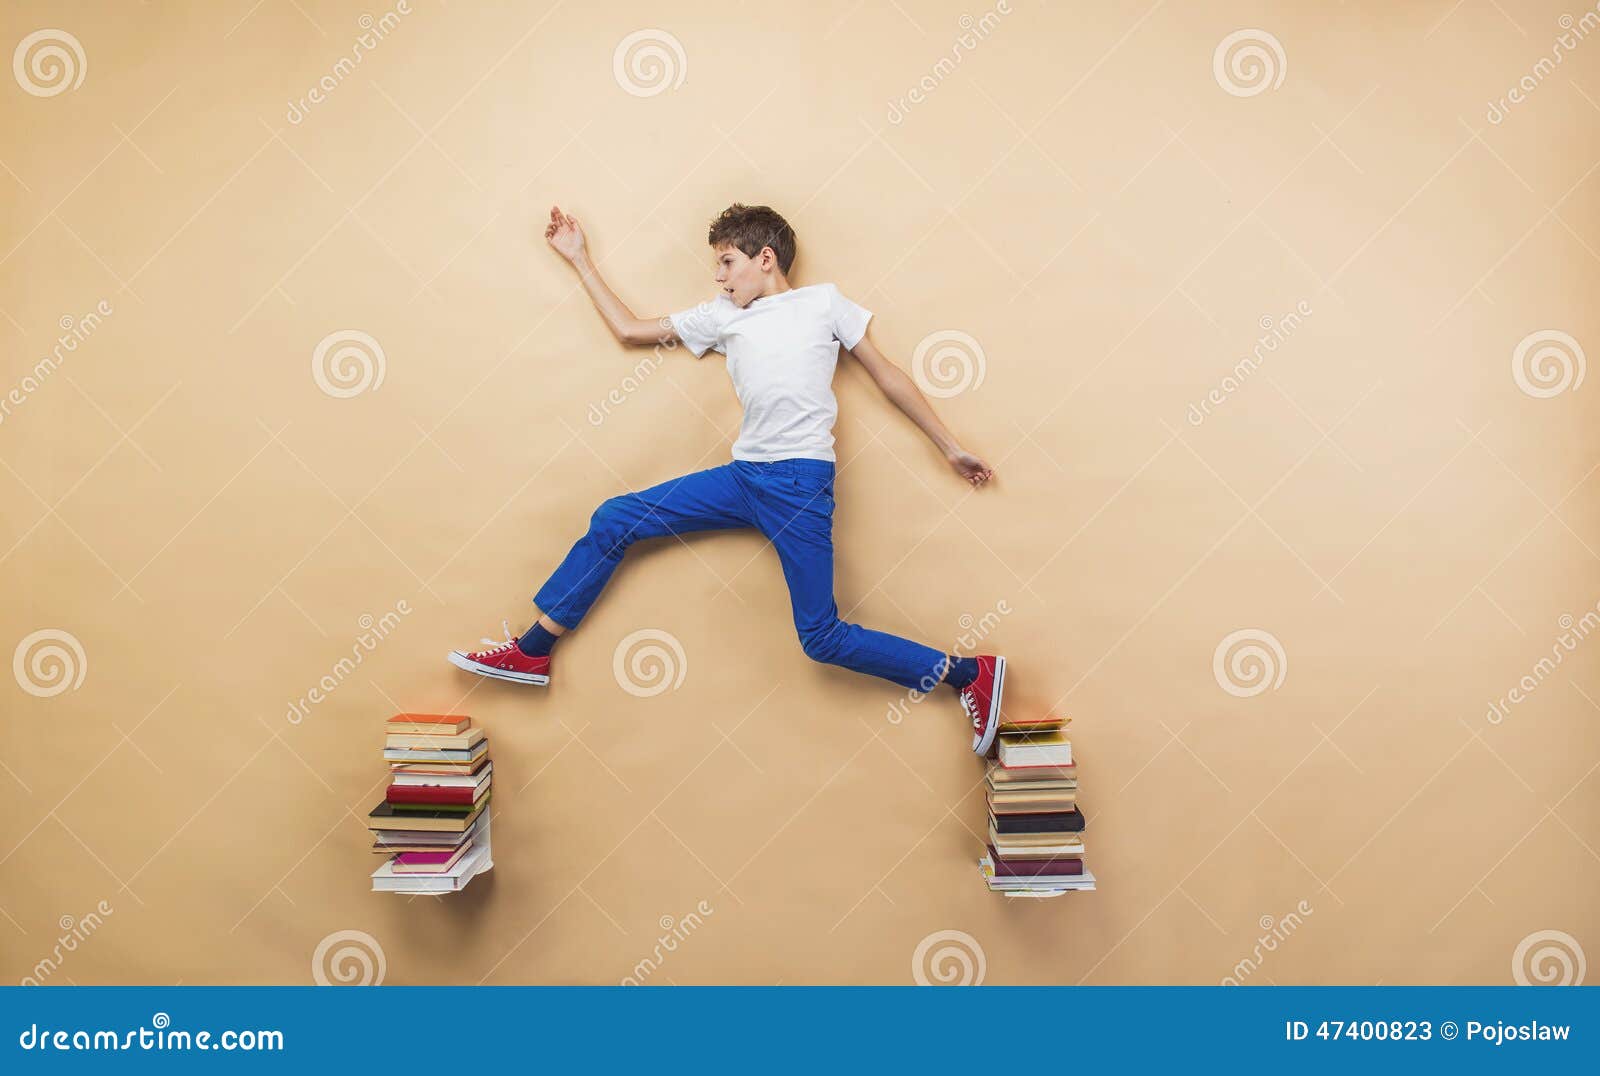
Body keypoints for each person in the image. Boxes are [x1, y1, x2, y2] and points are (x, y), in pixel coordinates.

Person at [449, 203, 1007, 753]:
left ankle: (968, 674)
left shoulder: (823, 303)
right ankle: (533, 649)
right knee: (615, 518)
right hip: (743, 480)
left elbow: (887, 376)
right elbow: (627, 329)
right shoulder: (723, 314)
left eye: (726, 262)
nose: (718, 277)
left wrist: (950, 447)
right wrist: (579, 258)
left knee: (821, 638)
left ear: (765, 258)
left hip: (798, 486)